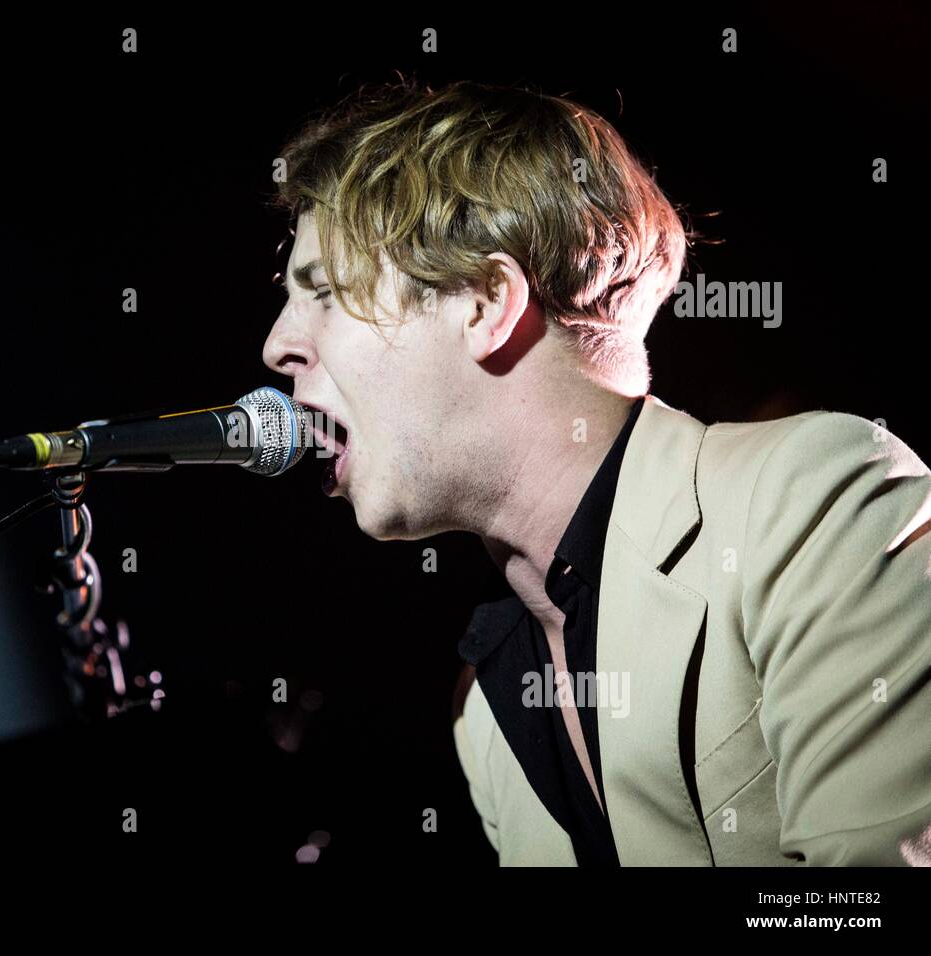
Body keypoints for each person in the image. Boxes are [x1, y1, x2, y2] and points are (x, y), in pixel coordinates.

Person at [260, 79, 931, 865]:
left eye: (327, 294)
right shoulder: (484, 711)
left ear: (484, 302)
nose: (277, 347)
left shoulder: (815, 497)